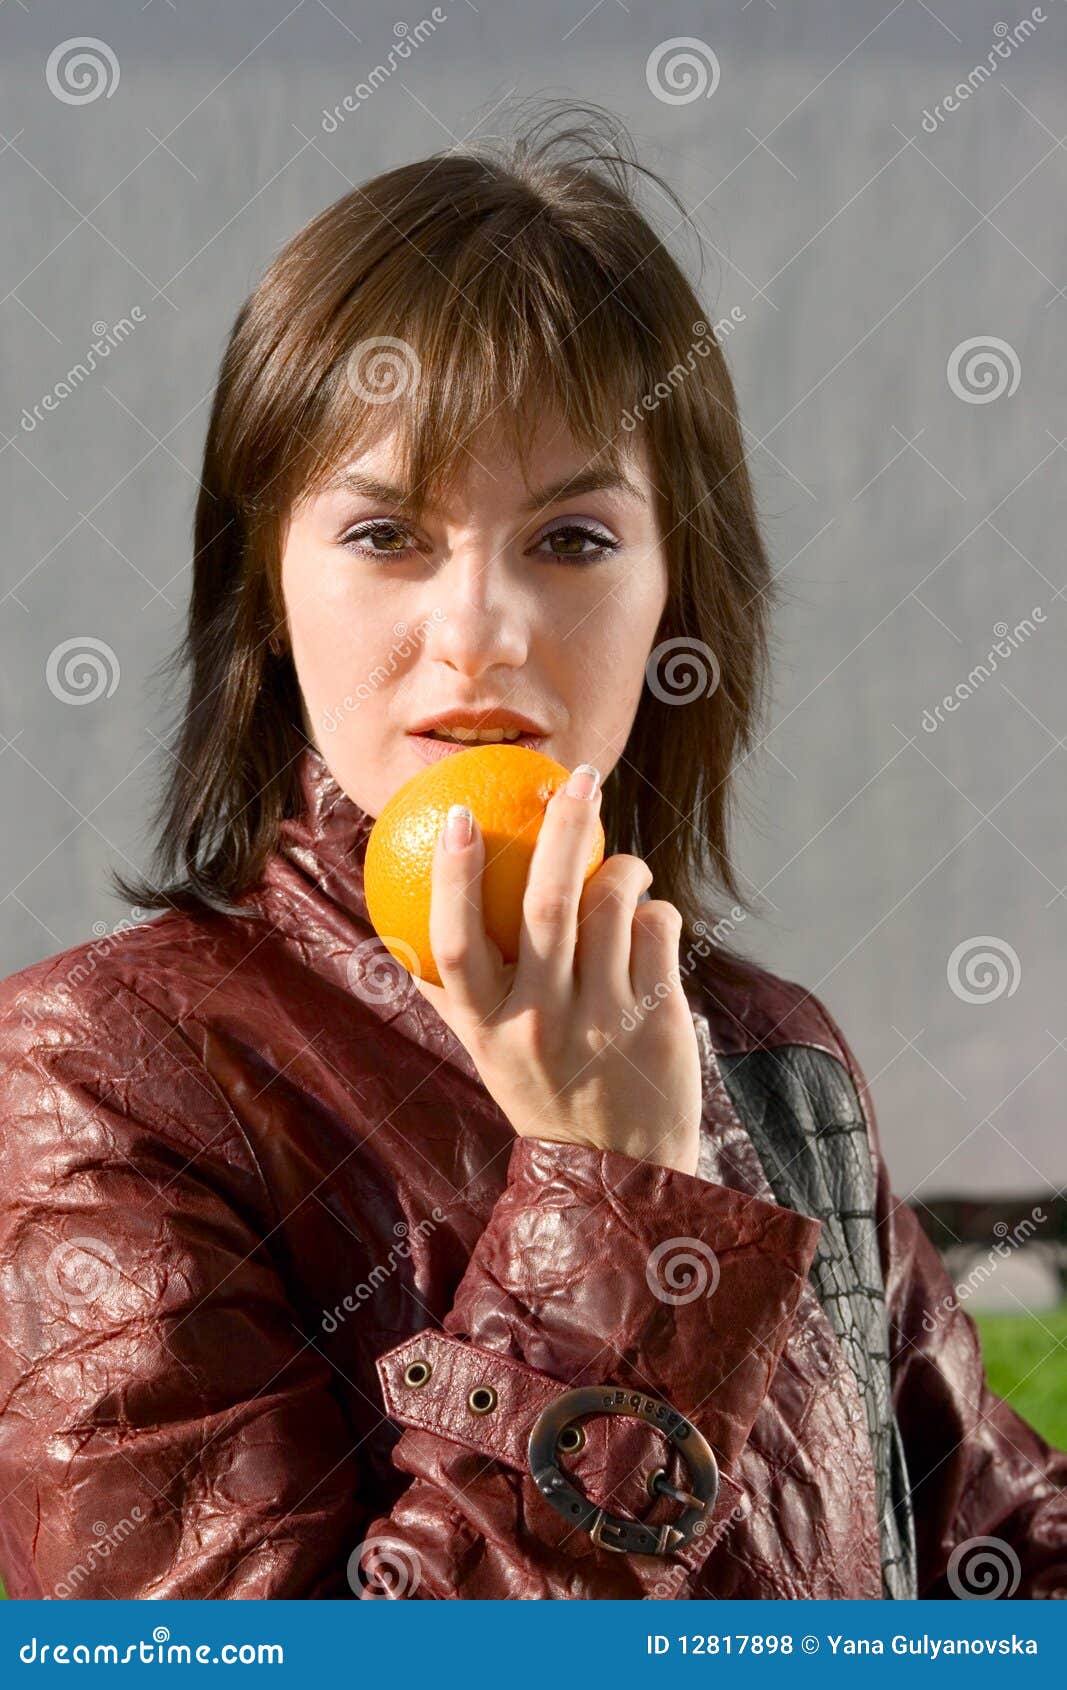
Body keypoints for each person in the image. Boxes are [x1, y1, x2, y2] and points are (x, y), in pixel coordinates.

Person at [0, 104, 1063, 1602]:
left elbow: (990, 1566)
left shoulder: (775, 1057)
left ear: (675, 598)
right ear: (267, 598)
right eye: (387, 535)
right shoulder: (101, 1079)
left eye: (571, 540)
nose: (481, 632)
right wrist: (614, 1200)